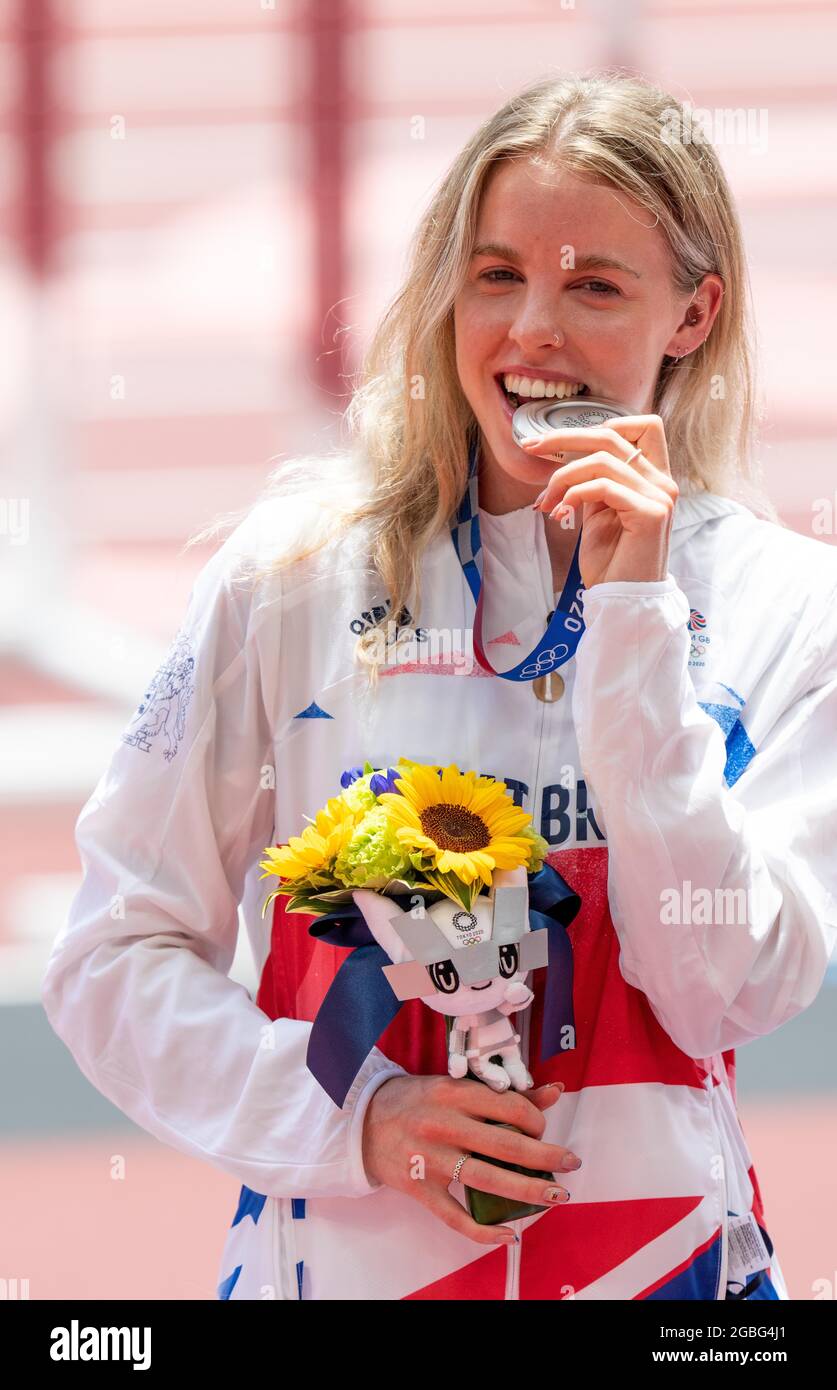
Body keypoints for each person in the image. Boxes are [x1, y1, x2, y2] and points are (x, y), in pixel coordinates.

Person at [41, 73, 837, 1302]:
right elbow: (111, 956)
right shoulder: (292, 581)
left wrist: (632, 622)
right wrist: (353, 1121)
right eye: (498, 275)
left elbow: (719, 986)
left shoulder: (790, 610)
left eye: (596, 286)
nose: (533, 332)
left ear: (694, 313)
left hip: (671, 1286)